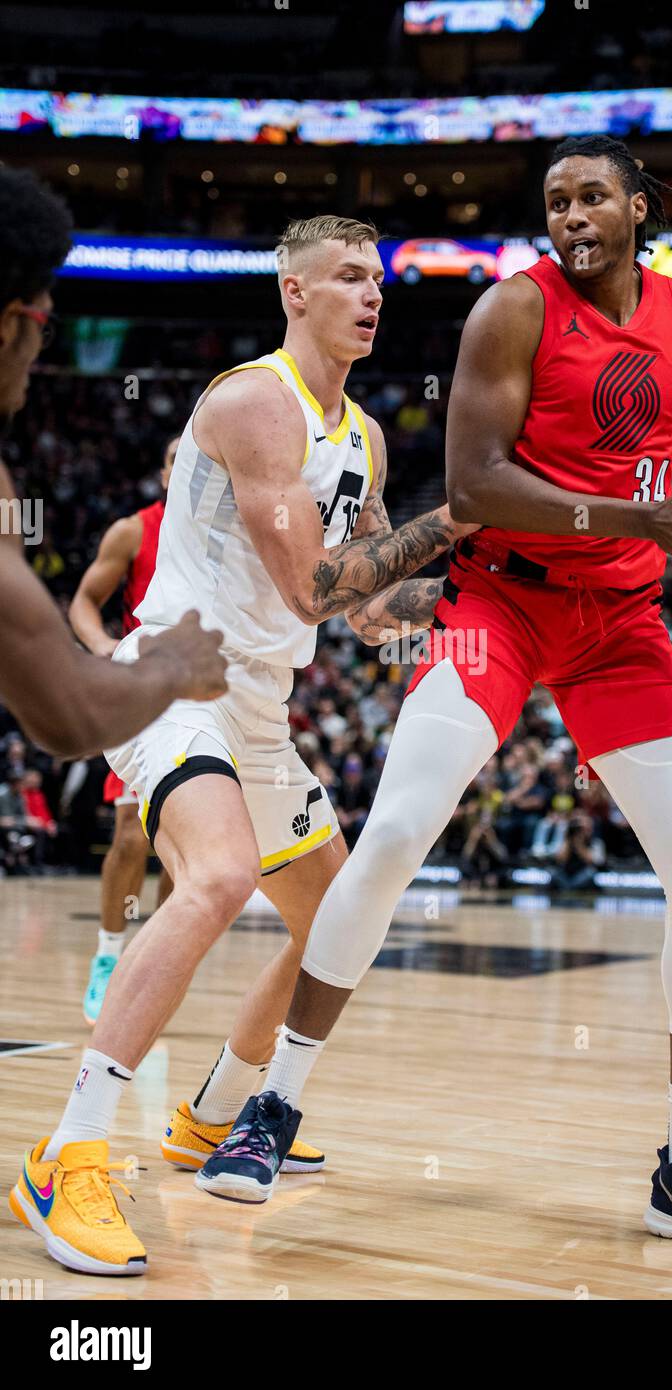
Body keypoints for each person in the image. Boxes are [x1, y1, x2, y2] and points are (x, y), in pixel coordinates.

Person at [202, 137, 672, 1253]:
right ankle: (271, 1106)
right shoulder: (511, 311)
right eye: (555, 201)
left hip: (620, 625)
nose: (572, 213)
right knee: (392, 836)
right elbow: (476, 484)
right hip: (504, 604)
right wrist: (639, 520)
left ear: (636, 207)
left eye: (592, 196)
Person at [11, 214, 472, 1274]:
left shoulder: (360, 434)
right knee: (217, 876)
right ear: (294, 293)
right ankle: (67, 1151)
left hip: (258, 708)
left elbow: (358, 608)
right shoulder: (256, 400)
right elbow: (312, 583)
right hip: (173, 687)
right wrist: (463, 515)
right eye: (348, 276)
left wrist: (477, 589)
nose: (371, 294)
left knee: (338, 916)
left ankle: (216, 1110)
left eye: (379, 280)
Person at [0, 167, 228, 759]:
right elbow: (70, 712)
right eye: (45, 327)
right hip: (130, 687)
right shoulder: (131, 528)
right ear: (7, 326)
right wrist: (168, 661)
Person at [69, 437, 178, 1024]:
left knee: (182, 855)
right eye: (174, 459)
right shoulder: (133, 531)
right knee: (133, 840)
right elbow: (85, 600)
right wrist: (105, 646)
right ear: (163, 472)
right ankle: (110, 954)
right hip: (140, 696)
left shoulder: (236, 529)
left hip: (206, 695)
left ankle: (153, 967)